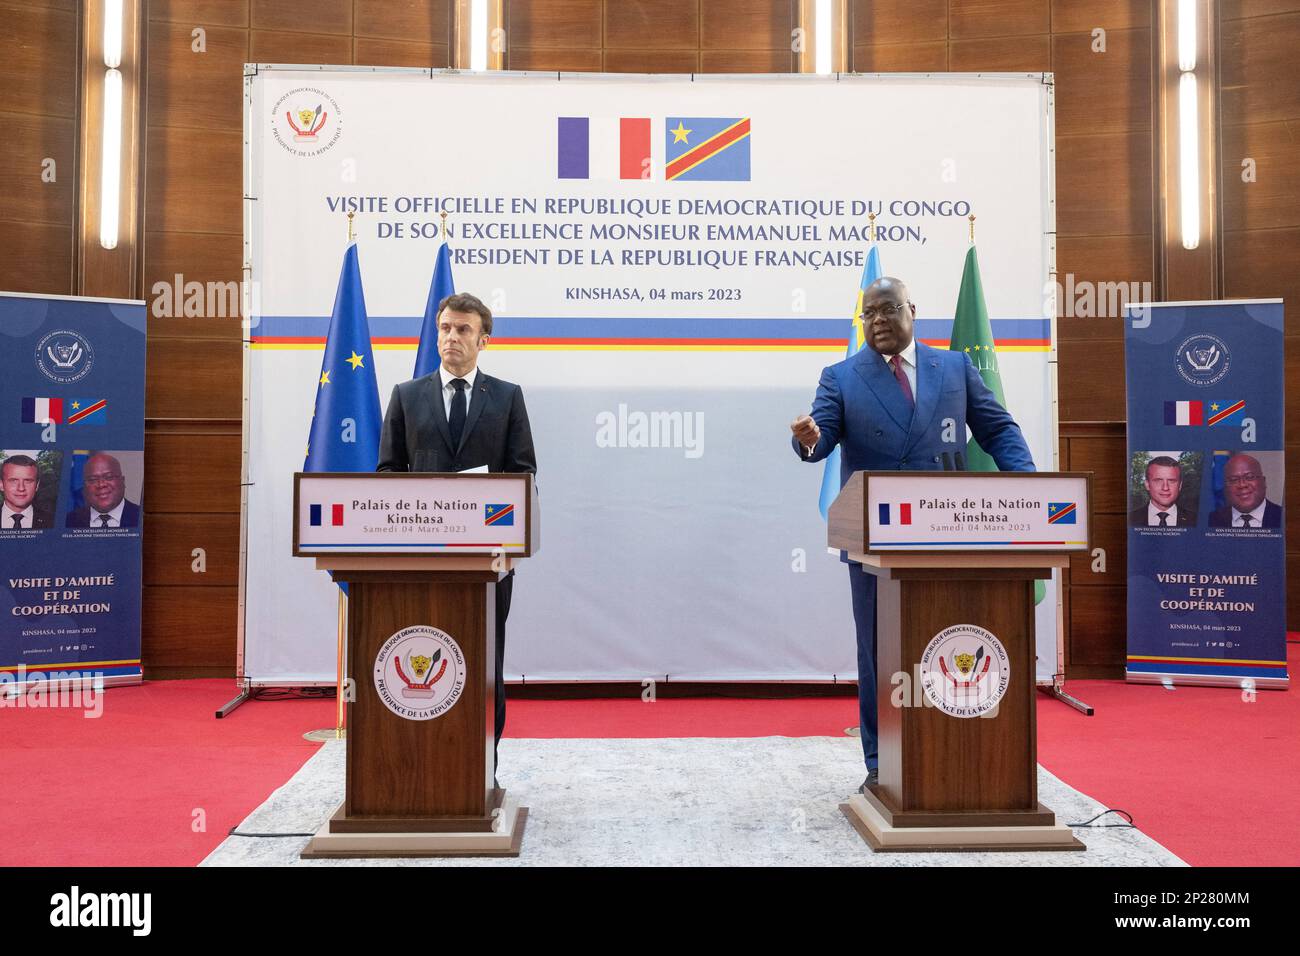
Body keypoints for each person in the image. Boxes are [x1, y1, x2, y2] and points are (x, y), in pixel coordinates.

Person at [789, 276, 1034, 795]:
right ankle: (882, 762)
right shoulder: (840, 377)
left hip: (952, 538)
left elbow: (998, 429)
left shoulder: (955, 367)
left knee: (952, 642)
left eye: (887, 310)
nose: (878, 320)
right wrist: (810, 441)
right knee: (879, 652)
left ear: (912, 311)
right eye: (869, 314)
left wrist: (1029, 489)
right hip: (875, 540)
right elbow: (822, 437)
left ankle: (966, 751)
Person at [377, 292, 537, 784]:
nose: (451, 337)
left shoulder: (507, 397)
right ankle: (410, 772)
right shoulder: (406, 395)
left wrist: (483, 513)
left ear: (483, 340)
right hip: (416, 561)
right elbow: (387, 472)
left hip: (487, 561)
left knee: (485, 662)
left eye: (463, 329)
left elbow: (524, 474)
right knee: (415, 652)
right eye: (445, 328)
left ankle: (482, 771)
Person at [65, 452, 141, 528]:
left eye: (109, 477)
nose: (101, 484)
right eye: (93, 479)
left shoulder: (140, 517)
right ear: (84, 487)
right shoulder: (69, 521)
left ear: (123, 481)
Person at [1208, 452, 1282, 528]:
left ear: (1263, 481)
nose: (1242, 485)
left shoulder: (1282, 517)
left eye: (1249, 477)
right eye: (1234, 480)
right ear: (1226, 488)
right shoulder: (1212, 520)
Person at [1129, 456, 1195, 527]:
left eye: (1171, 481)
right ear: (1147, 485)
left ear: (1180, 486)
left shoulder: (1194, 520)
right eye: (1158, 481)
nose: (1165, 487)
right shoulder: (1131, 519)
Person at [2, 454, 52, 529]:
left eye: (28, 481)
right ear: (1, 485)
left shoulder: (52, 521)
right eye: (13, 481)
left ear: (37, 485)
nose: (21, 488)